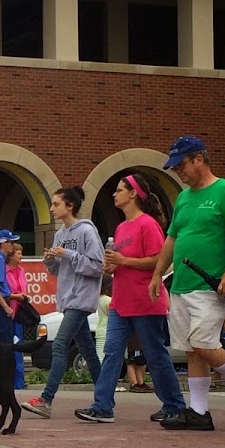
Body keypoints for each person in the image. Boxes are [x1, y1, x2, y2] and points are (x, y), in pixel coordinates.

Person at [149, 135, 225, 431]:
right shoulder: (184, 198)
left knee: (202, 342)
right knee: (190, 347)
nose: (178, 172)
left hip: (211, 284)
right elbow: (172, 238)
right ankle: (198, 411)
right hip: (182, 284)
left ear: (199, 159)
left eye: (181, 165)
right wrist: (158, 274)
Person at [76, 173, 184, 423]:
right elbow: (125, 263)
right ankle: (102, 406)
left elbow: (160, 261)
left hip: (146, 300)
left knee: (155, 355)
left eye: (119, 189)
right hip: (121, 302)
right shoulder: (122, 227)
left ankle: (174, 405)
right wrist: (113, 266)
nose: (114, 194)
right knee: (112, 353)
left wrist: (124, 261)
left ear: (133, 194)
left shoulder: (148, 224)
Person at [23, 186, 104, 418]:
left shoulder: (87, 231)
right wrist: (49, 260)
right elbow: (58, 270)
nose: (51, 208)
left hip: (81, 299)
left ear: (70, 206)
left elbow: (97, 266)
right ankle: (105, 398)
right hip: (68, 298)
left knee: (59, 345)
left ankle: (46, 400)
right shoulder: (60, 235)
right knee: (88, 350)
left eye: (56, 204)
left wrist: (67, 255)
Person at [5, 242, 28, 389]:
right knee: (6, 347)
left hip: (19, 314)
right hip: (7, 313)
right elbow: (4, 291)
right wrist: (15, 296)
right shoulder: (4, 271)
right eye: (19, 253)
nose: (21, 256)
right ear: (11, 255)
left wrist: (22, 297)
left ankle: (19, 383)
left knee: (18, 347)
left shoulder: (21, 270)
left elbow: (25, 289)